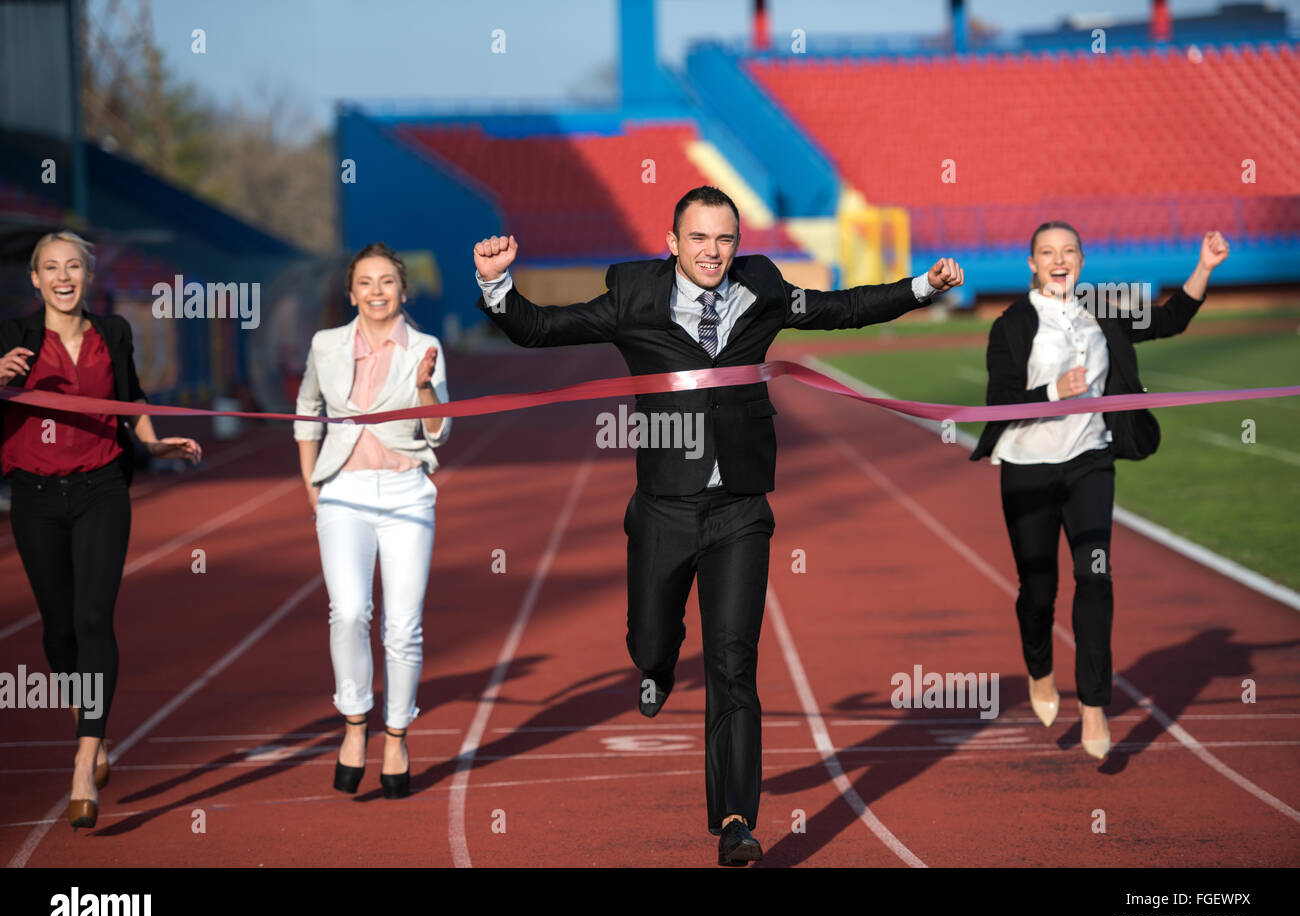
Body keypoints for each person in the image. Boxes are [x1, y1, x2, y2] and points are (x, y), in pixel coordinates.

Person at [473, 186, 964, 864]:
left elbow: (841, 309)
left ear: (738, 242)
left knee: (734, 664)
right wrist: (496, 286)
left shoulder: (762, 288)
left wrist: (922, 286)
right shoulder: (633, 295)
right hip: (664, 507)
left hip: (740, 507)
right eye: (699, 238)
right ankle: (657, 661)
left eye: (725, 238)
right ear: (672, 243)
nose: (713, 251)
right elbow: (542, 328)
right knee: (649, 639)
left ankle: (735, 819)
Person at [970, 222, 1230, 759]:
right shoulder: (1011, 324)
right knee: (1038, 591)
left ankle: (1093, 705)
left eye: (1068, 251)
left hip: (1090, 463)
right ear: (1032, 264)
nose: (1058, 260)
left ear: (1082, 261)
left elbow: (1169, 320)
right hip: (1027, 469)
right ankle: (1040, 671)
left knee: (1094, 577)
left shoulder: (1102, 311)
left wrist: (1204, 267)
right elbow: (999, 402)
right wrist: (1053, 390)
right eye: (1047, 252)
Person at [0, 231, 201, 830]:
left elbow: (130, 399)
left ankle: (85, 760)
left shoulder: (113, 333)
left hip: (101, 489)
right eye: (51, 268)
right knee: (59, 630)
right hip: (35, 497)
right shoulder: (11, 336)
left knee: (92, 619)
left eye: (74, 267)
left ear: (88, 277)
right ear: (35, 279)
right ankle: (89, 720)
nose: (63, 277)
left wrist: (154, 444)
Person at [294, 242, 451, 799]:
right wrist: (312, 484)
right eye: (366, 282)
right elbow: (307, 410)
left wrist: (425, 385)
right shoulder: (325, 344)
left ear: (403, 291)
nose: (377, 291)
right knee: (349, 612)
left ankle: (397, 736)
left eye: (387, 281)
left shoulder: (426, 347)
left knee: (403, 627)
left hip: (407, 494)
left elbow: (439, 433)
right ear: (351, 292)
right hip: (343, 491)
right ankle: (355, 723)